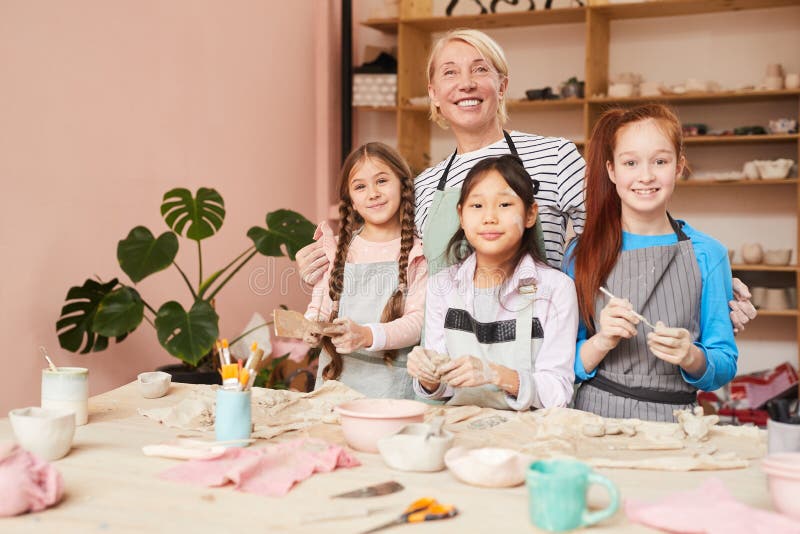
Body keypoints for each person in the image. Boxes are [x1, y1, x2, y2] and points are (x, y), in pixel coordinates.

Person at [295, 30, 755, 330]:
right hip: (447, 356)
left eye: (481, 70)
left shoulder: (554, 155)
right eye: (450, 73)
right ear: (434, 94)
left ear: (503, 84)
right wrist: (321, 268)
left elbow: (627, 224)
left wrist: (700, 273)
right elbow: (391, 264)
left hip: (539, 347)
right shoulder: (426, 182)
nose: (467, 83)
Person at [563, 104, 738, 422]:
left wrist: (691, 356)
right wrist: (601, 340)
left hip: (675, 424)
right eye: (631, 162)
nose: (645, 176)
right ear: (613, 171)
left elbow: (724, 364)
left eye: (660, 161)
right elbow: (560, 363)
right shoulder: (580, 252)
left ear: (679, 166)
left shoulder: (709, 254)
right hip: (592, 420)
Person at [406, 155, 577, 410]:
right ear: (461, 216)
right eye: (477, 206)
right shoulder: (443, 285)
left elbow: (558, 393)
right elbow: (442, 387)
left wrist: (497, 375)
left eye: (505, 204)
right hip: (460, 431)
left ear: (530, 214)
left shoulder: (556, 289)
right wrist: (429, 378)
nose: (489, 218)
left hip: (528, 437)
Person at [303, 142, 427, 399]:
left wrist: (366, 335)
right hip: (336, 384)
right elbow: (321, 304)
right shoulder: (337, 249)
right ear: (351, 200)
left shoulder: (419, 253)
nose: (372, 193)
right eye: (360, 186)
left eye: (382, 181)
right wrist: (311, 325)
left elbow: (417, 323)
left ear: (403, 186)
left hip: (392, 388)